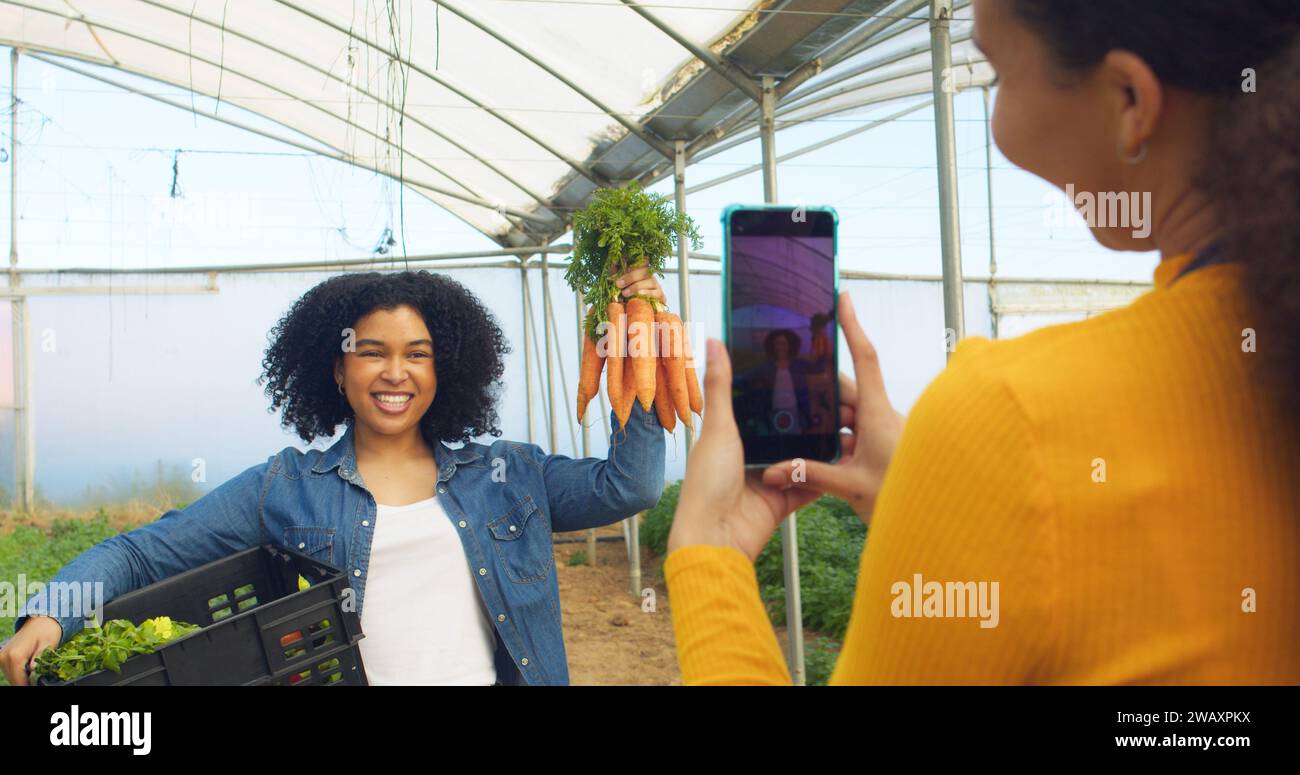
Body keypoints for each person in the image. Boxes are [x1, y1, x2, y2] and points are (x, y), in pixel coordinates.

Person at [663, 0, 1300, 684]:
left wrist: (710, 556)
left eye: (997, 74)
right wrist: (940, 506)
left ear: (1129, 100)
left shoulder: (1010, 415)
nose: (995, 123)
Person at [0, 268, 668, 686]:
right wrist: (50, 614)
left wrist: (635, 340)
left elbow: (629, 485)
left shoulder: (507, 474)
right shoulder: (287, 487)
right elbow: (142, 553)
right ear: (338, 370)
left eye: (417, 355)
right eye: (371, 352)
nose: (395, 373)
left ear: (444, 371)